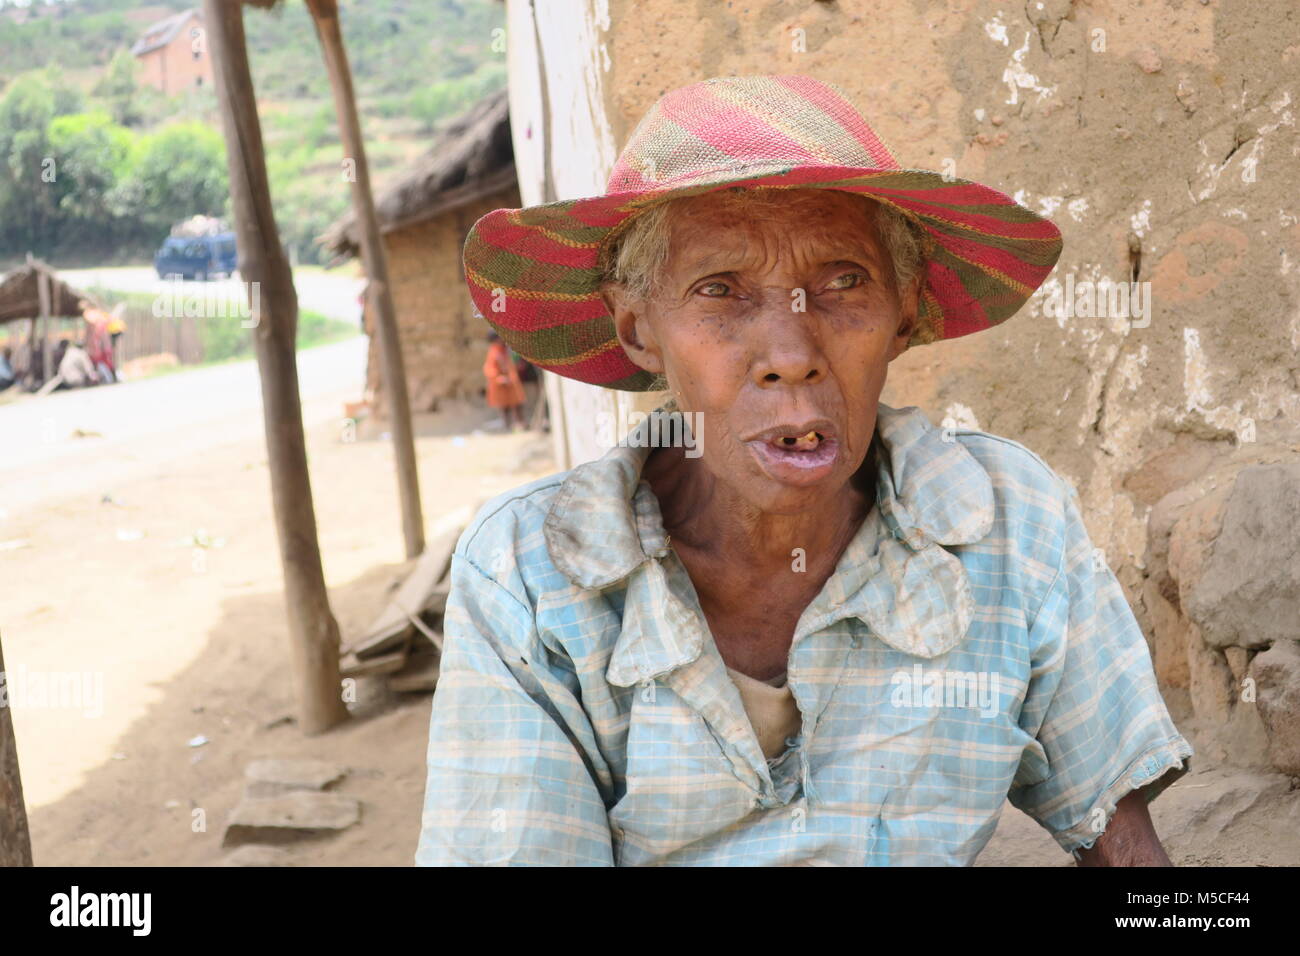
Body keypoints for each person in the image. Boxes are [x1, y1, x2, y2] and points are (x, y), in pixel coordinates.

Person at [418, 76, 1192, 866]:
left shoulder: (1008, 518)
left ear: (904, 312)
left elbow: (1124, 850)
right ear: (639, 331)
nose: (791, 356)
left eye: (843, 282)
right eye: (719, 292)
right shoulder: (531, 574)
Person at [482, 331, 526, 431]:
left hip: (511, 382)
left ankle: (520, 424)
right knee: (505, 407)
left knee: (517, 404)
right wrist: (499, 379)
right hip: (502, 385)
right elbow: (489, 369)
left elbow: (511, 363)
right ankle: (508, 426)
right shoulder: (494, 352)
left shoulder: (505, 350)